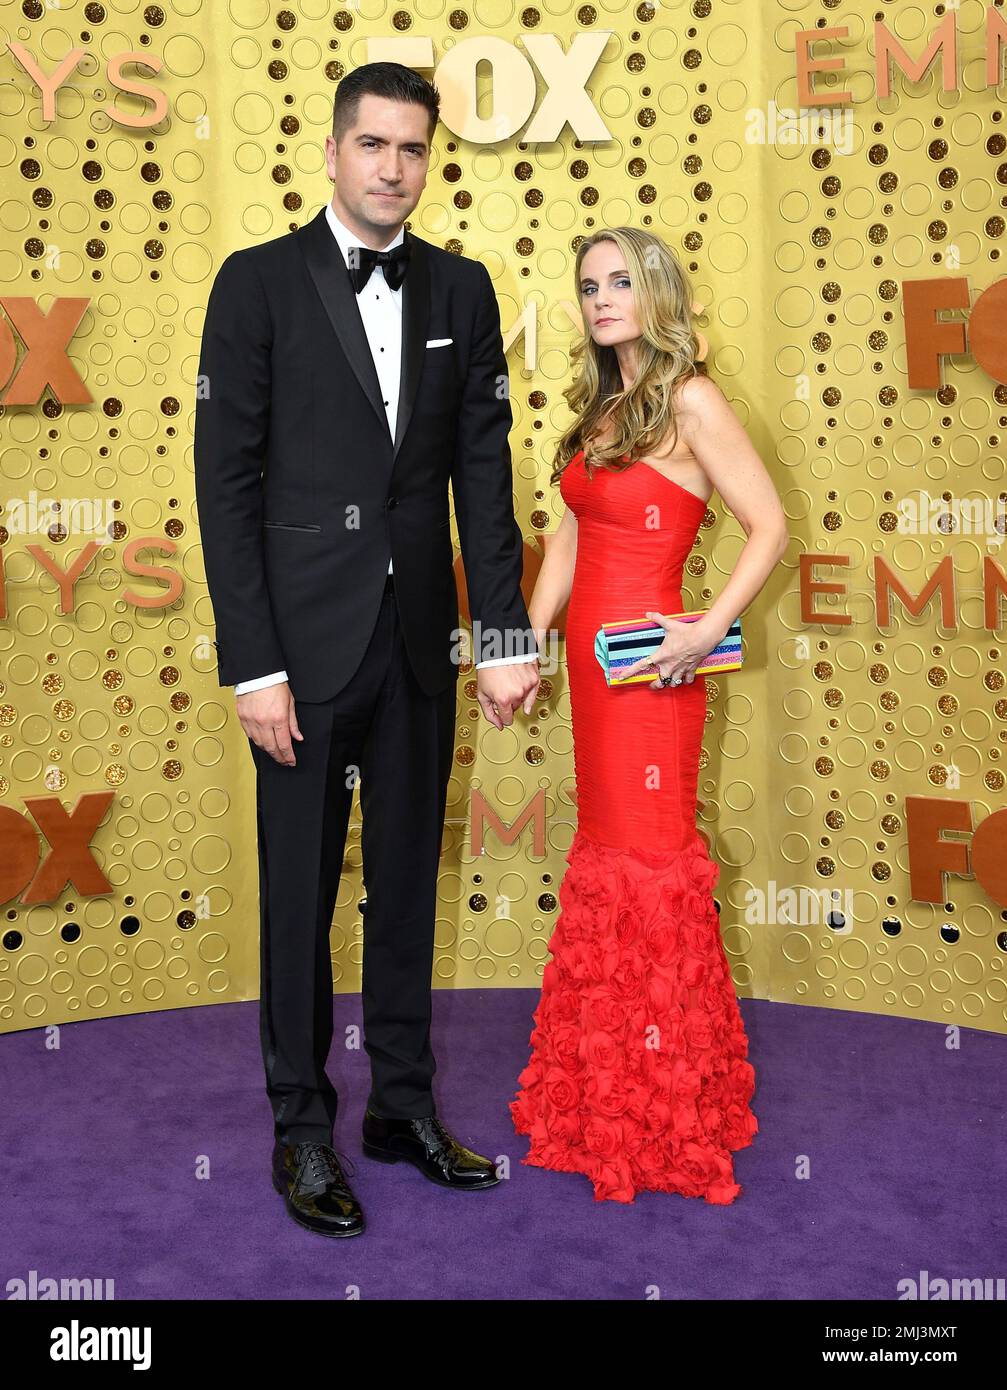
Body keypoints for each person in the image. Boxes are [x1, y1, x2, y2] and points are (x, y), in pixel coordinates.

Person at [193, 62, 540, 1238]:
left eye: (412, 150)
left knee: (403, 890)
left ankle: (401, 1110)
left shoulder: (461, 287)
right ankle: (300, 1133)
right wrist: (253, 664)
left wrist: (497, 636)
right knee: (299, 901)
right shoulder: (254, 286)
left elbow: (482, 481)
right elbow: (225, 488)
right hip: (295, 652)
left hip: (412, 647)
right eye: (374, 146)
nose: (394, 168)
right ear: (331, 152)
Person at [510, 227, 788, 1204]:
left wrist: (703, 627)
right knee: (604, 861)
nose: (600, 299)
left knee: (650, 869)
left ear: (657, 292)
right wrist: (521, 644)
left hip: (652, 680)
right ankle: (600, 1094)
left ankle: (664, 1108)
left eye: (620, 281)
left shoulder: (692, 401)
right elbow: (564, 547)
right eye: (587, 286)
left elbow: (767, 524)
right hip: (591, 677)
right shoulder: (601, 408)